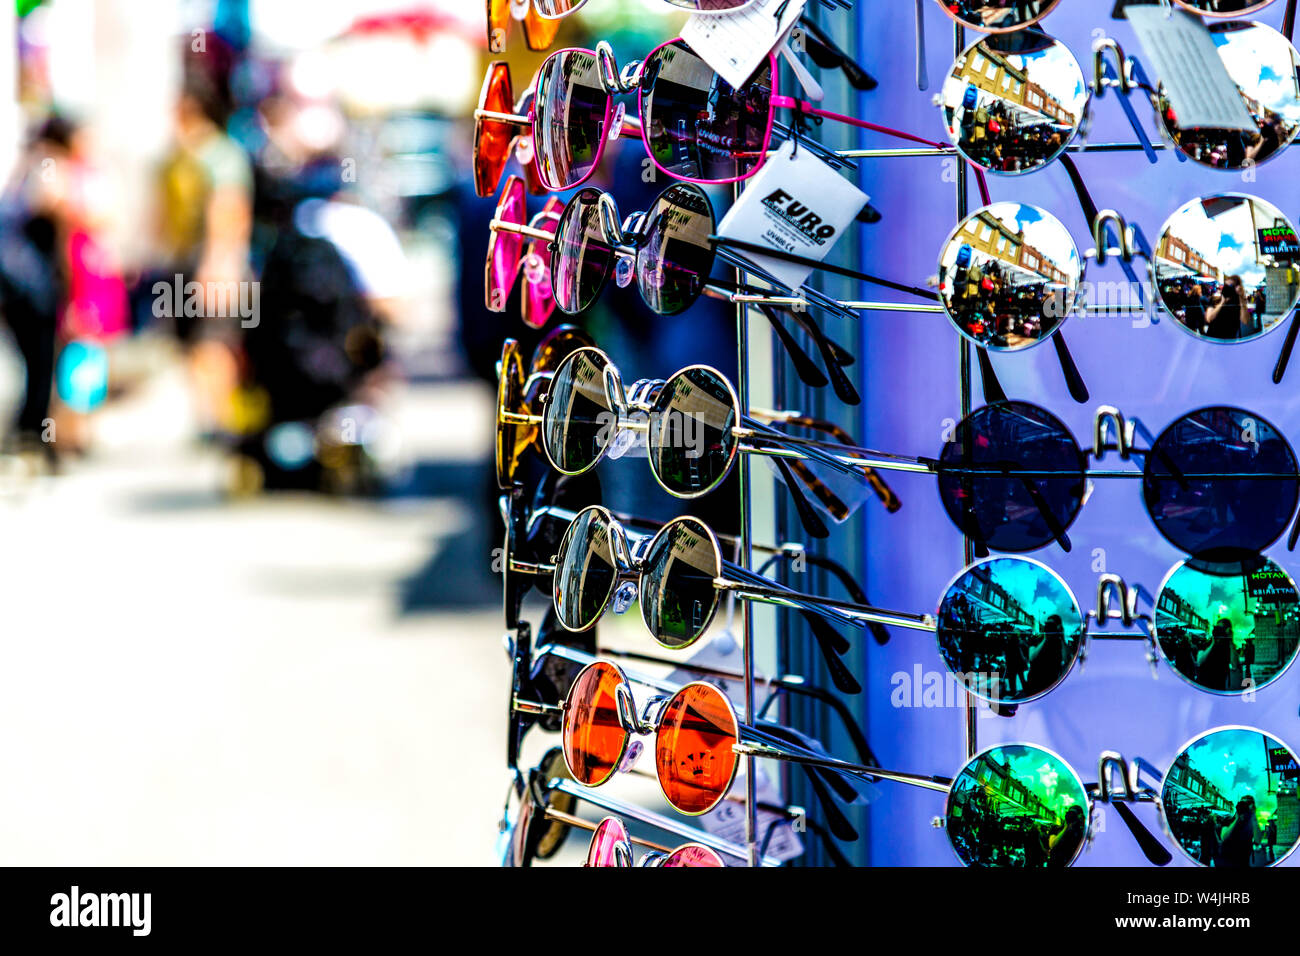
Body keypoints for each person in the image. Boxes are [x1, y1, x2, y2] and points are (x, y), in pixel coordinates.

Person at [1217, 796, 1259, 867]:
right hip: (1226, 862)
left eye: (1248, 803)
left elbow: (1258, 840)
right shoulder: (1230, 820)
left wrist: (1254, 815)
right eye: (1243, 803)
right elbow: (1224, 837)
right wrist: (1237, 818)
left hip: (1243, 863)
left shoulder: (1252, 824)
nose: (1245, 806)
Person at [1205, 275, 1249, 340]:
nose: (1227, 288)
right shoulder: (1215, 299)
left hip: (1229, 341)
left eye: (1231, 286)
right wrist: (1222, 302)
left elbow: (1245, 321)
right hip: (1212, 339)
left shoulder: (1238, 302)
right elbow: (1209, 319)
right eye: (1225, 285)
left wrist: (1241, 297)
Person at [1195, 619, 1233, 691]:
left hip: (1219, 687)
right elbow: (1199, 662)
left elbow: (1234, 665)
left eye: (1222, 629)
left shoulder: (1227, 646)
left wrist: (1230, 640)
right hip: (1204, 685)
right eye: (1218, 628)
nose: (1219, 631)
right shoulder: (1207, 644)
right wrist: (1213, 642)